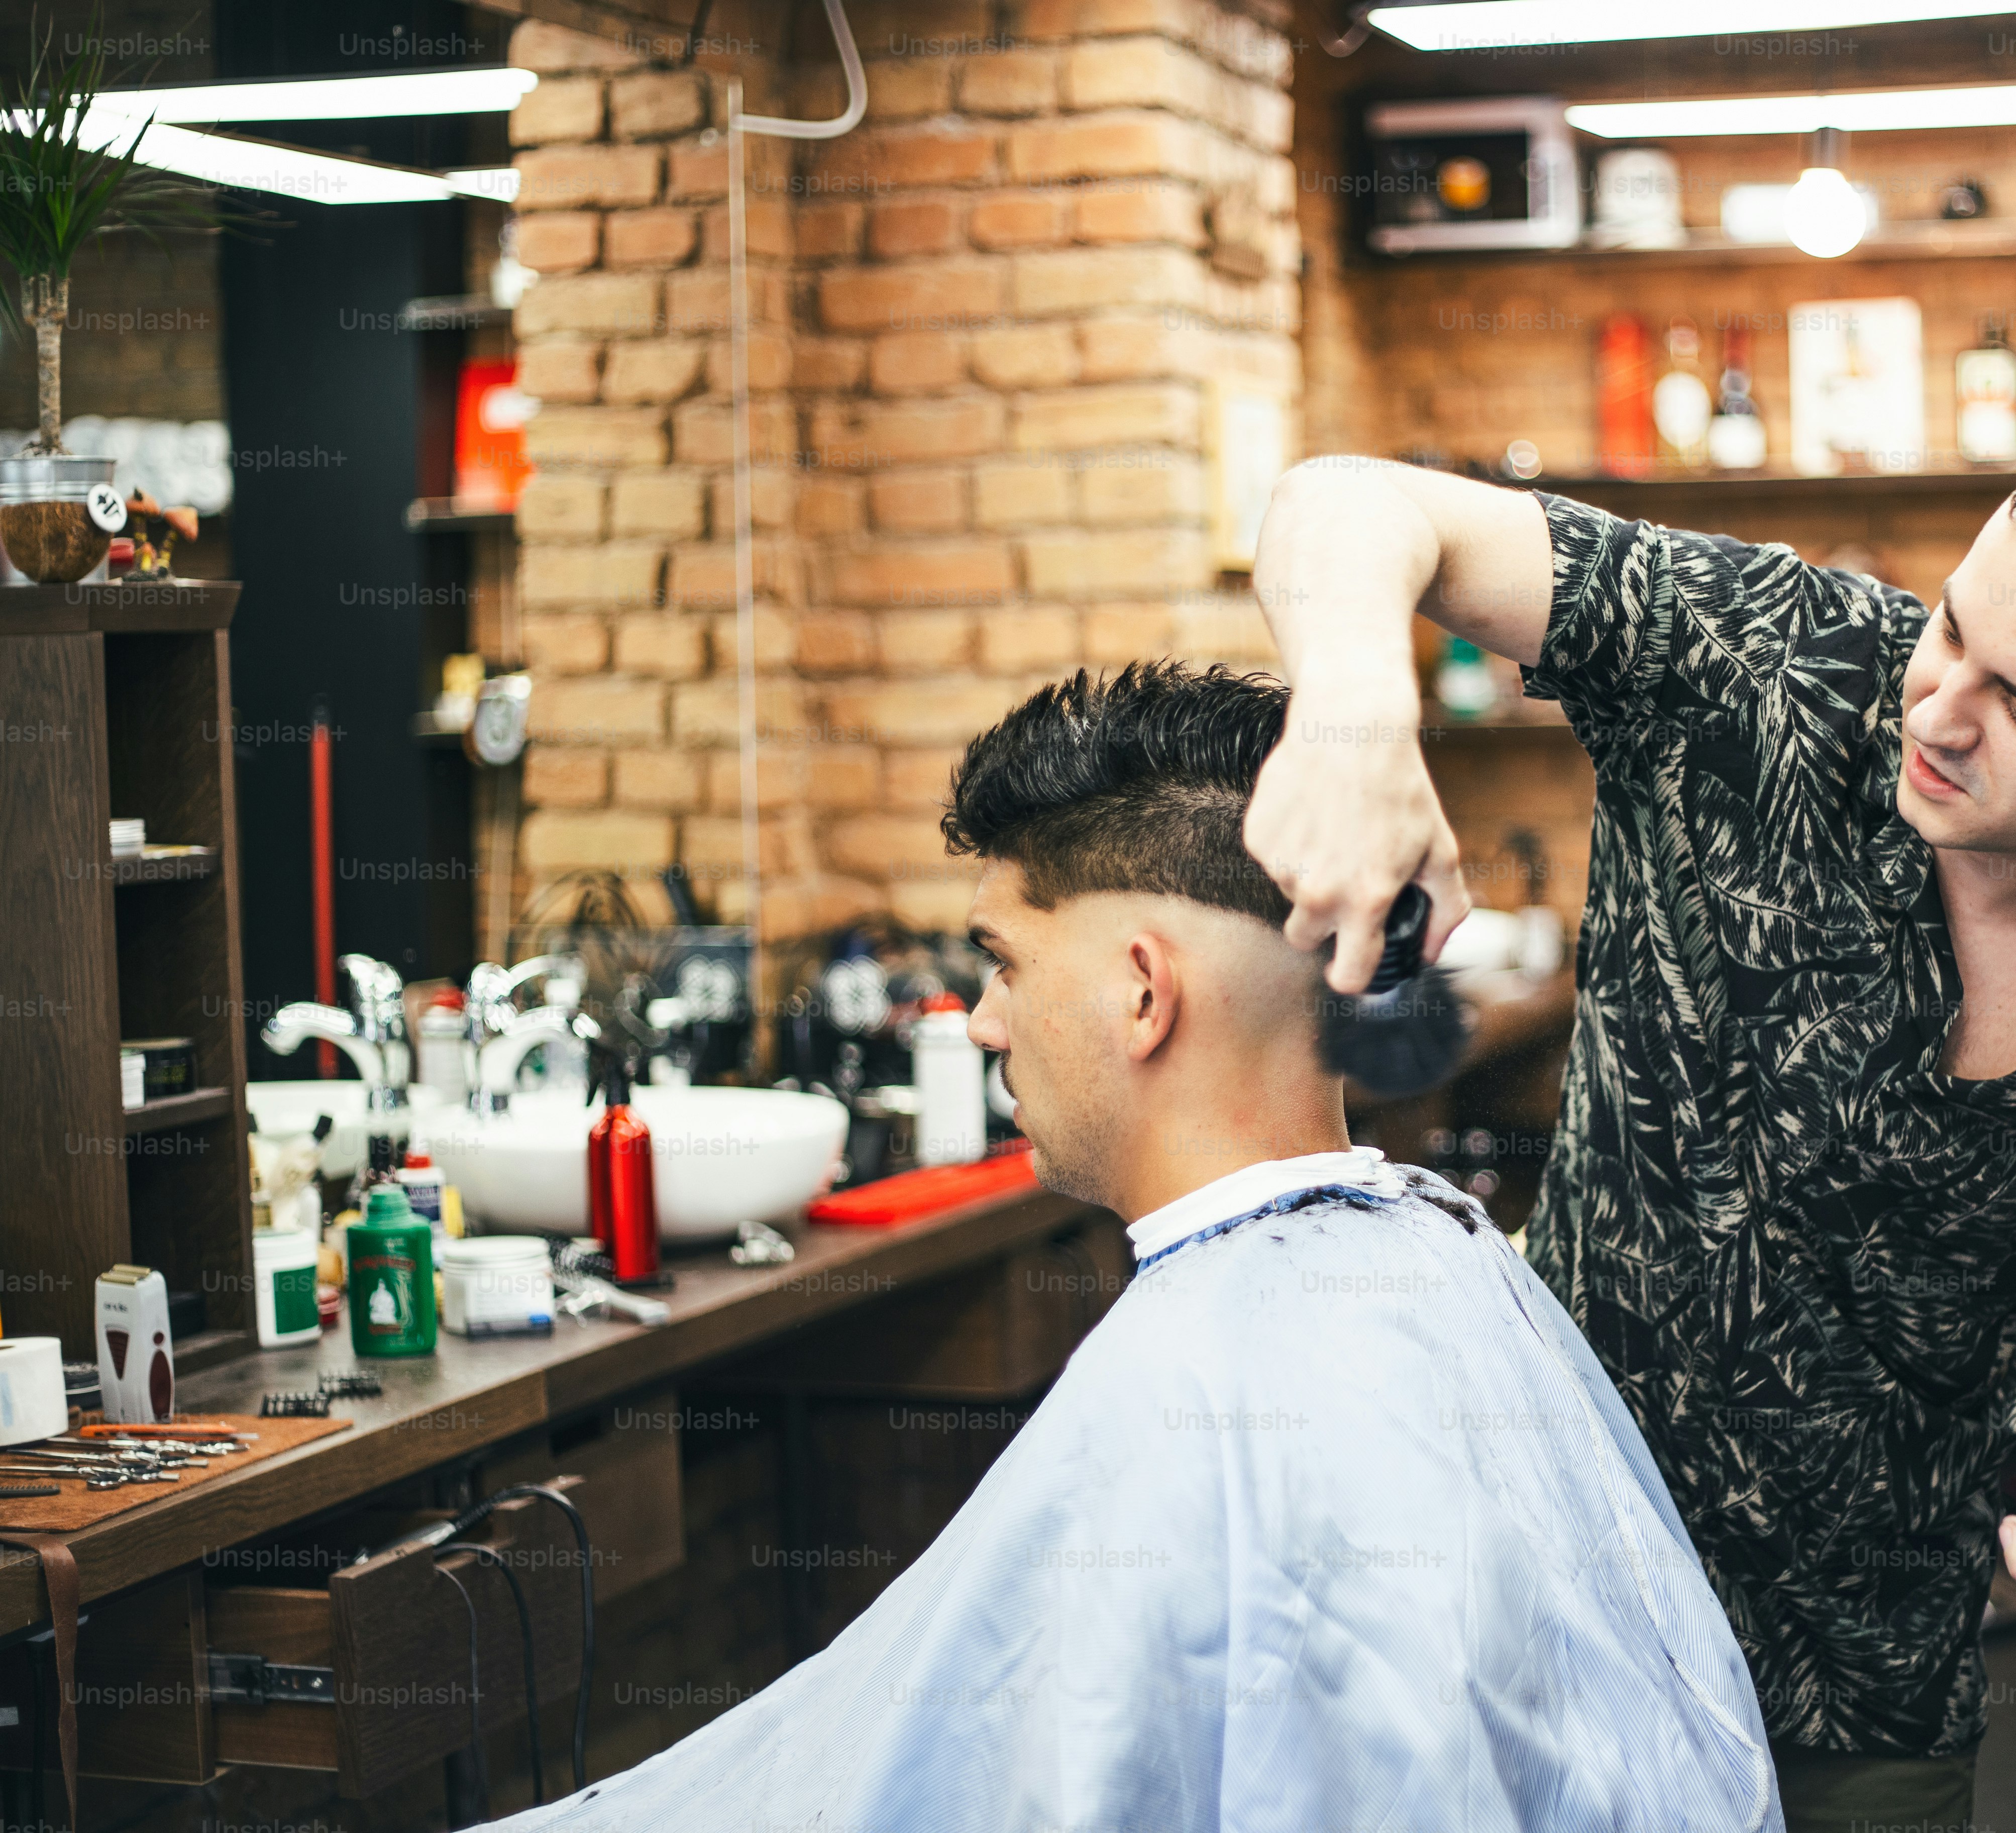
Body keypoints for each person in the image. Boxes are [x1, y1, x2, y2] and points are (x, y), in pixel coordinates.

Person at [1243, 412, 2016, 1826]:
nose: (1938, 713)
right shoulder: (1772, 662)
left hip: (1865, 1671)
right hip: (1517, 1602)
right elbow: (1345, 501)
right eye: (1952, 632)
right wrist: (1352, 727)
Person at [495, 662, 1781, 1833]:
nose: (984, 1021)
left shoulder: (1204, 1381)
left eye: (1000, 961)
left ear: (1143, 992)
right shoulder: (1435, 1256)